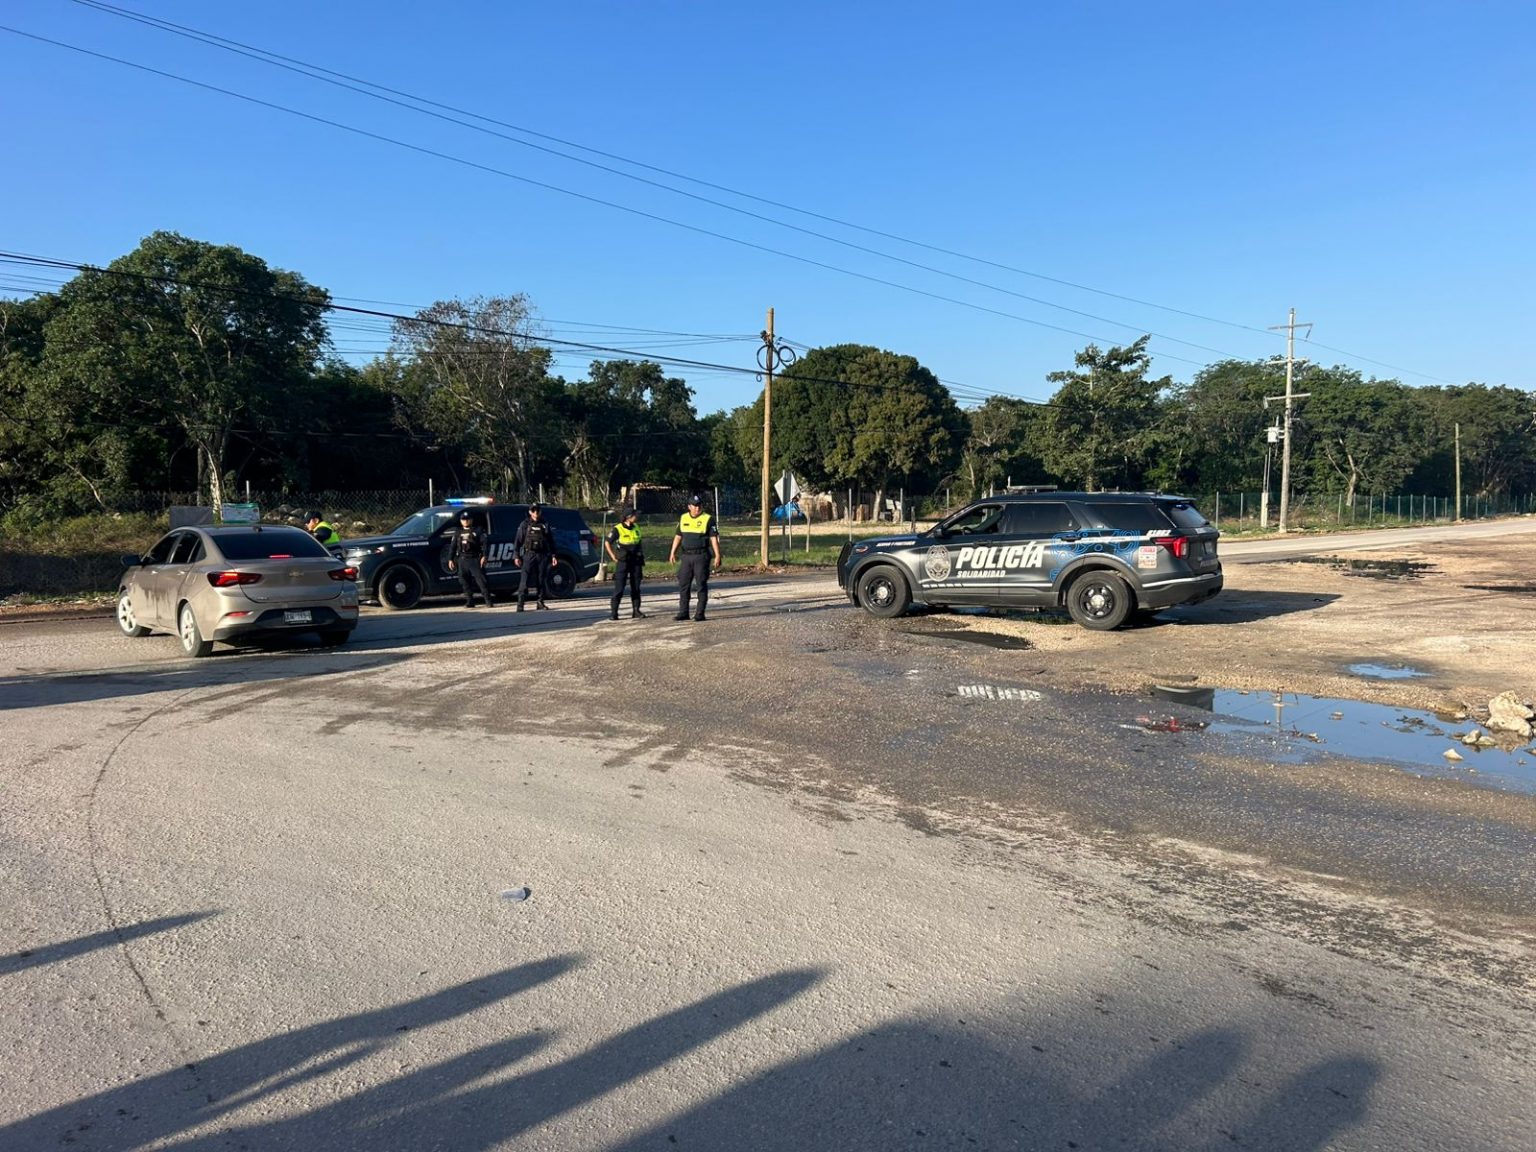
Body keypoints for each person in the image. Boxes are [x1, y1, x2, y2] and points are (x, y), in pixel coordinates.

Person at [668, 494, 721, 621]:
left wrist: (717, 555)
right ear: (689, 506)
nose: (697, 508)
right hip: (686, 556)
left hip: (701, 556)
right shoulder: (683, 518)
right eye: (694, 506)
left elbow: (714, 539)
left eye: (699, 506)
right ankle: (683, 612)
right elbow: (678, 536)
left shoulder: (708, 519)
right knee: (684, 584)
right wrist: (672, 552)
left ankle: (700, 613)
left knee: (701, 584)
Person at [604, 507, 646, 620]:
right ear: (628, 517)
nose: (637, 517)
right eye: (635, 515)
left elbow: (639, 542)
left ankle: (636, 610)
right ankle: (614, 613)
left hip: (636, 561)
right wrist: (613, 556)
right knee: (619, 588)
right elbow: (607, 543)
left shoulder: (636, 527)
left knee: (636, 587)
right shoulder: (617, 529)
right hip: (623, 561)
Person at [447, 509, 494, 607]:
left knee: (481, 581)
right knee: (464, 581)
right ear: (460, 520)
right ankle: (470, 601)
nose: (465, 521)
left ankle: (488, 601)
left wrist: (484, 556)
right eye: (463, 519)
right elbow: (453, 546)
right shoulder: (458, 532)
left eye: (467, 519)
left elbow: (484, 544)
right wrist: (450, 559)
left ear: (471, 520)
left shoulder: (478, 530)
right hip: (462, 560)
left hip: (474, 559)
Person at [514, 502, 555, 611]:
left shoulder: (544, 524)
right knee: (525, 579)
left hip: (542, 555)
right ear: (530, 512)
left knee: (541, 579)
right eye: (533, 510)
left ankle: (540, 602)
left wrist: (553, 556)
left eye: (537, 510)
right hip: (529, 554)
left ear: (540, 511)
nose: (535, 512)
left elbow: (551, 541)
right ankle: (520, 604)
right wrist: (516, 556)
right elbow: (518, 541)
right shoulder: (525, 524)